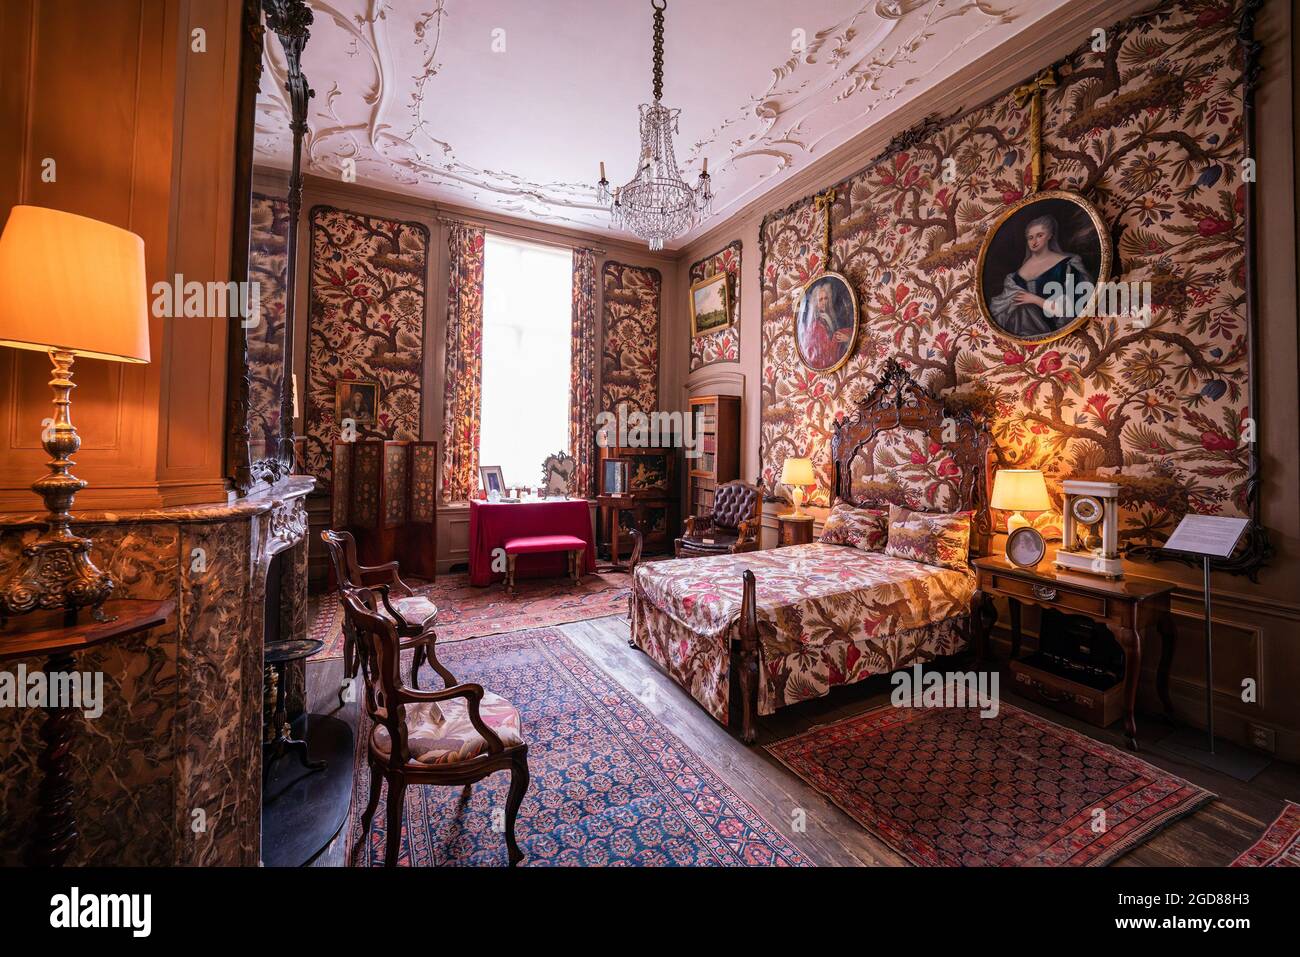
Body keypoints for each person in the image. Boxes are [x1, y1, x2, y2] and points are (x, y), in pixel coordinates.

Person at [988, 213, 1093, 339]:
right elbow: (1000, 311)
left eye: (1039, 235)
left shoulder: (1067, 265)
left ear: (1050, 235)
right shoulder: (1015, 276)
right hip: (1023, 336)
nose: (1034, 241)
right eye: (1030, 237)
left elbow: (1070, 309)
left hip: (1060, 334)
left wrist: (1034, 299)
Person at [798, 279, 853, 368]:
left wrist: (848, 338)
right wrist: (839, 338)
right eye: (820, 299)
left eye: (826, 298)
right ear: (816, 303)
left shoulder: (832, 317)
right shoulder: (815, 324)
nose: (824, 302)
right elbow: (826, 353)